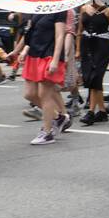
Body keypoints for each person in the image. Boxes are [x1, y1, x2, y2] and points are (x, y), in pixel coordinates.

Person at [17, 9, 69, 146]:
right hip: (34, 53)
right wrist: (24, 50)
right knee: (30, 94)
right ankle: (58, 117)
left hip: (49, 54)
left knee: (44, 94)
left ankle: (47, 132)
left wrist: (56, 60)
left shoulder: (60, 9)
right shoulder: (39, 8)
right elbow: (32, 33)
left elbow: (59, 36)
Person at [78, 0, 109, 125]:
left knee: (95, 77)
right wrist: (78, 49)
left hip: (103, 46)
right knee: (89, 77)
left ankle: (90, 112)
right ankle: (102, 111)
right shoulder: (84, 8)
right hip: (86, 45)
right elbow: (79, 31)